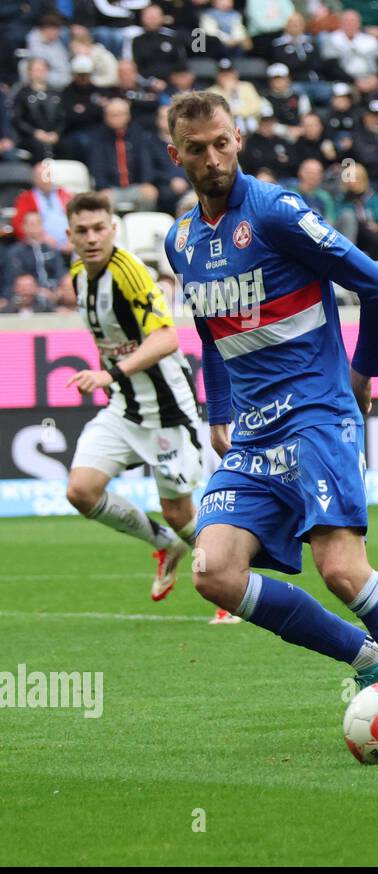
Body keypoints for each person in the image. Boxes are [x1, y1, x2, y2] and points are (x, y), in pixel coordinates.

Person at [161, 90, 378, 748]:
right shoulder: (181, 241)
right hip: (254, 432)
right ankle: (371, 659)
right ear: (176, 156)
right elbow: (208, 325)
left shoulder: (278, 212)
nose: (213, 157)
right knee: (213, 571)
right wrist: (220, 407)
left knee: (340, 567)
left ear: (239, 140)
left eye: (223, 141)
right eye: (197, 149)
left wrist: (362, 376)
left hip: (317, 411)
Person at [59, 191, 205, 607]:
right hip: (124, 407)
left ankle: (228, 578)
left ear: (113, 229)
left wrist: (110, 373)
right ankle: (162, 543)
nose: (91, 238)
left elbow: (166, 337)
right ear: (69, 235)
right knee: (81, 491)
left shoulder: (131, 273)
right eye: (82, 231)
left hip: (166, 410)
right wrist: (114, 376)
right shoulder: (78, 276)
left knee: (180, 512)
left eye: (99, 229)